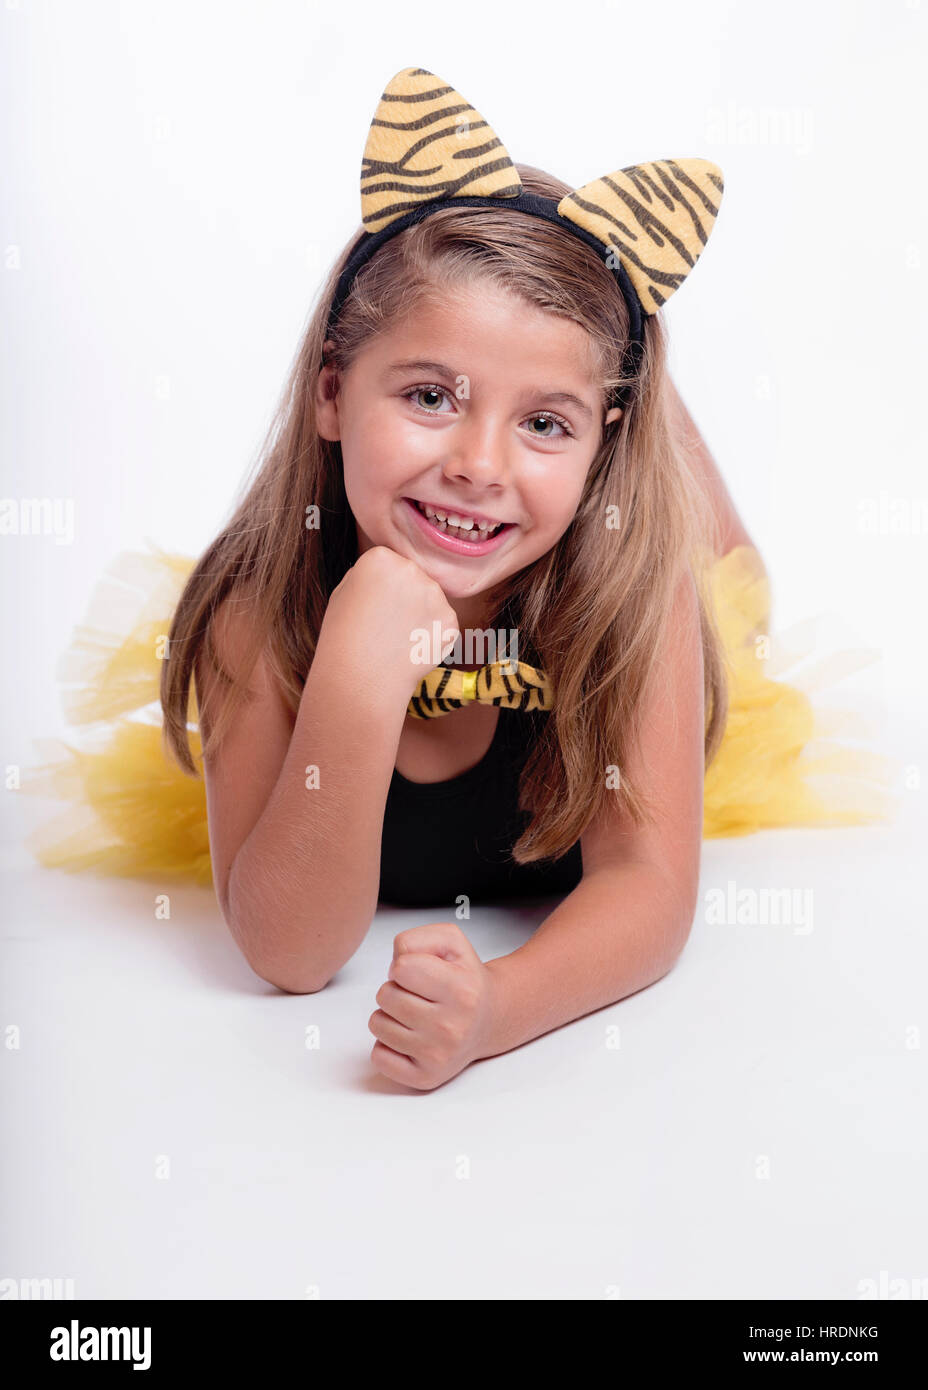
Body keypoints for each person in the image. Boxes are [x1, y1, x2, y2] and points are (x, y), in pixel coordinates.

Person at [24, 67, 894, 1089]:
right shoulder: (256, 612)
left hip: (610, 555)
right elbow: (288, 952)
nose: (478, 463)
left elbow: (649, 887)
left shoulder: (628, 597)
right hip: (390, 574)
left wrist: (500, 1006)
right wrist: (352, 681)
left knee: (734, 595)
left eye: (540, 421)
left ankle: (650, 441)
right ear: (334, 395)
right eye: (431, 395)